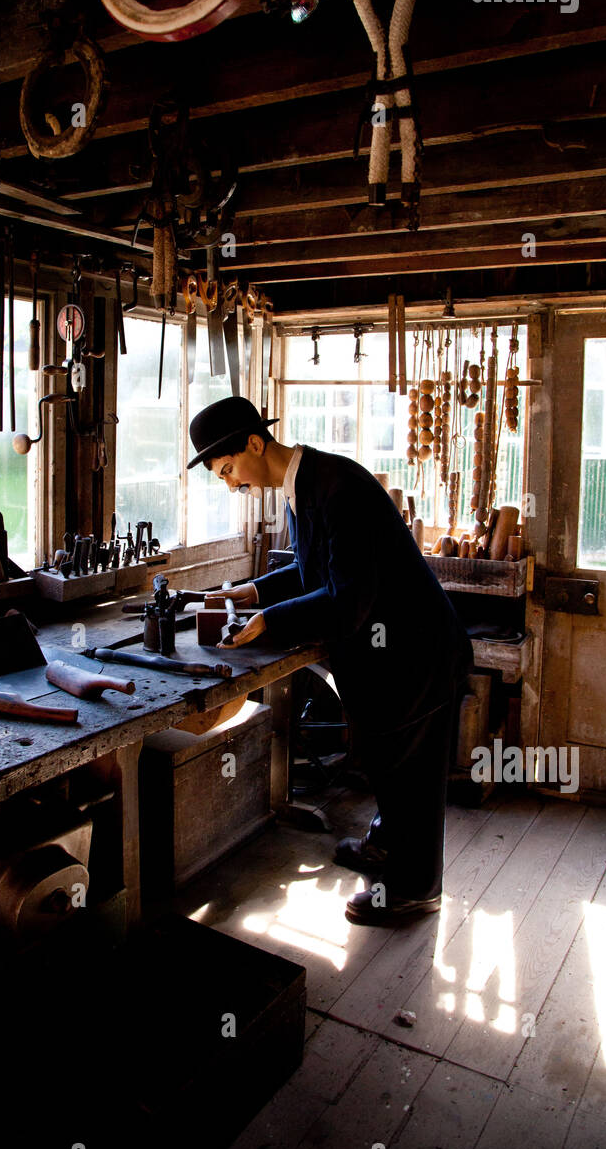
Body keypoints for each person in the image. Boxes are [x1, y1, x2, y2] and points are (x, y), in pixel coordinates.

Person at [187, 396, 473, 924]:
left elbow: (348, 597)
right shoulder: (303, 488)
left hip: (418, 649)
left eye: (228, 470)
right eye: (221, 478)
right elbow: (309, 570)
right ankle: (386, 846)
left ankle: (415, 888)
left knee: (413, 772)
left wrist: (271, 620)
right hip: (386, 653)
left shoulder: (339, 488)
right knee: (388, 760)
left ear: (254, 443)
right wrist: (251, 592)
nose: (230, 484)